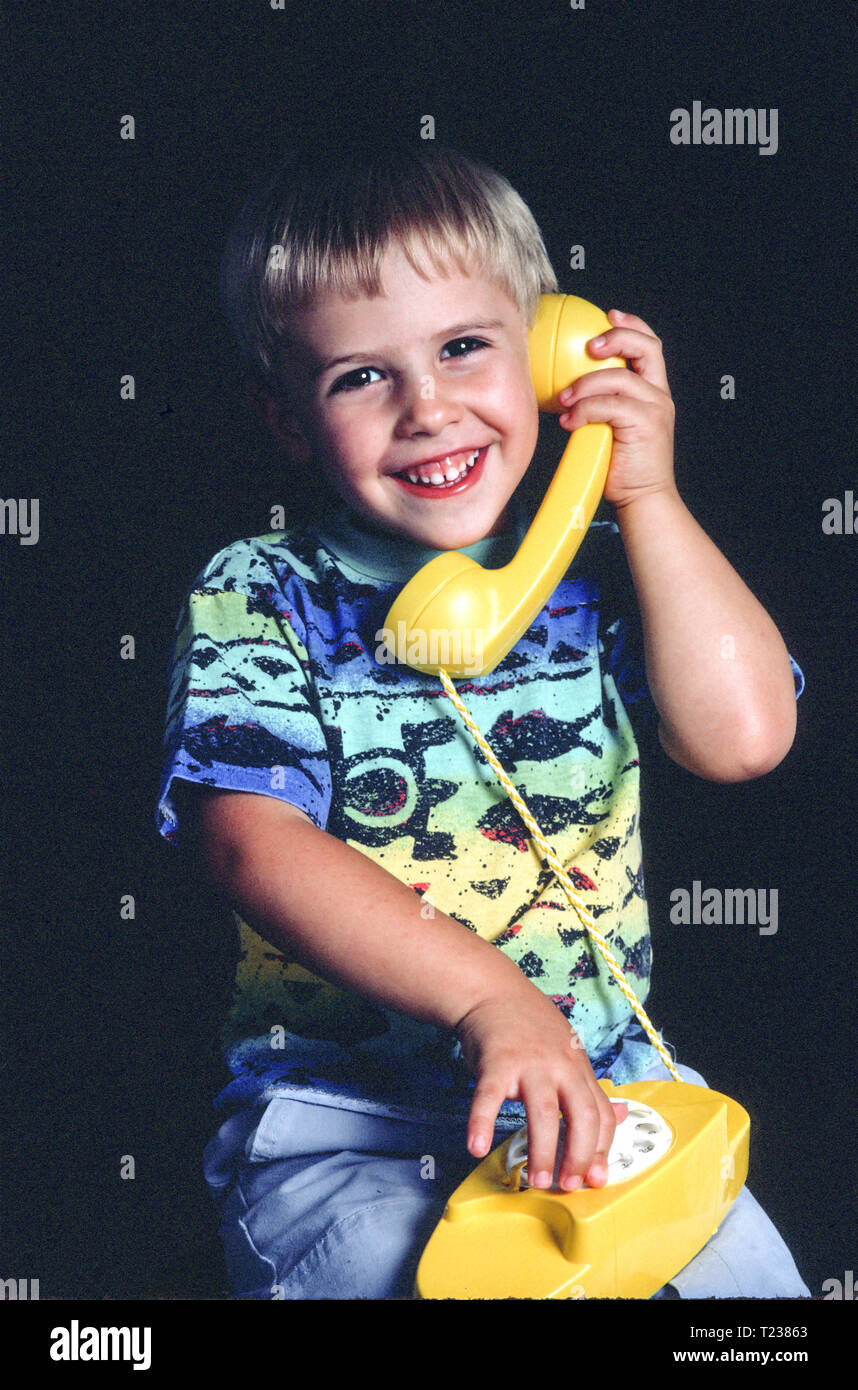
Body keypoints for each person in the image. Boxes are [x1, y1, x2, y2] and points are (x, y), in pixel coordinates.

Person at [156, 135, 809, 1299]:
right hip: (349, 1121)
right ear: (288, 420)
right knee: (393, 1276)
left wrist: (645, 493)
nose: (429, 407)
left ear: (552, 351)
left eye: (465, 348)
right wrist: (489, 998)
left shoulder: (610, 570)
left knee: (752, 1301)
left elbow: (745, 734)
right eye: (363, 376)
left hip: (601, 1095)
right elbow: (246, 838)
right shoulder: (262, 589)